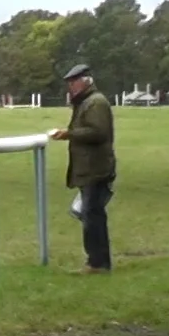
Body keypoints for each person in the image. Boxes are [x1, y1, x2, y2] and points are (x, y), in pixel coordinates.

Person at [48, 62, 115, 274]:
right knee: (91, 215)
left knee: (92, 217)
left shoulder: (95, 103)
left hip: (96, 169)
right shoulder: (86, 102)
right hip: (90, 168)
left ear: (85, 81)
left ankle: (97, 263)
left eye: (73, 82)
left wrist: (68, 134)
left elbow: (98, 132)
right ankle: (98, 262)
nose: (71, 87)